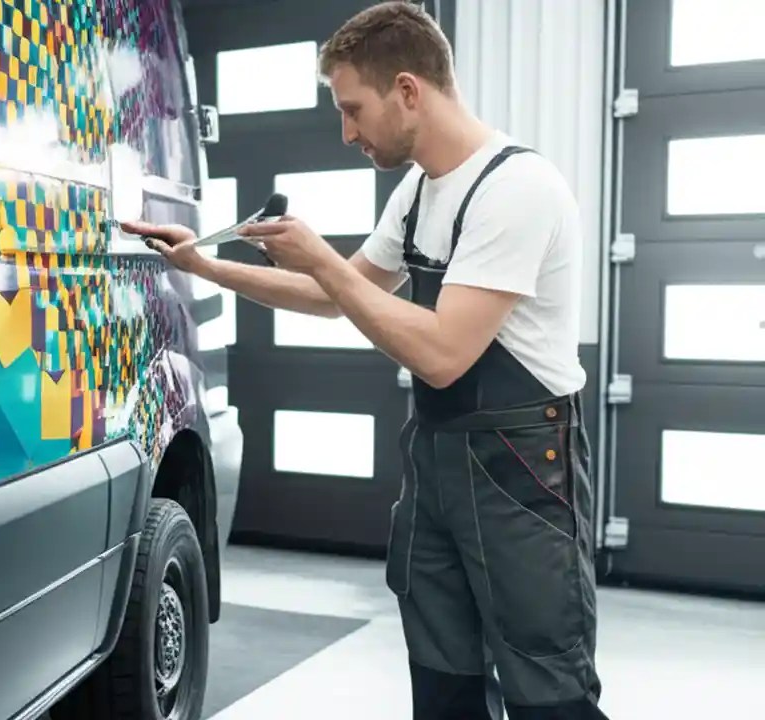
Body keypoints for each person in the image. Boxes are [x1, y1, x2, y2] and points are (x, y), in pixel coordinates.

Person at [123, 2, 610, 718]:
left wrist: (320, 256)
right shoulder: (418, 191)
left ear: (409, 90)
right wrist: (203, 262)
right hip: (437, 462)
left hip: (521, 472)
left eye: (353, 110)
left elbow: (443, 353)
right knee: (443, 684)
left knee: (548, 690)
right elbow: (335, 297)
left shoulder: (516, 189)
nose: (347, 132)